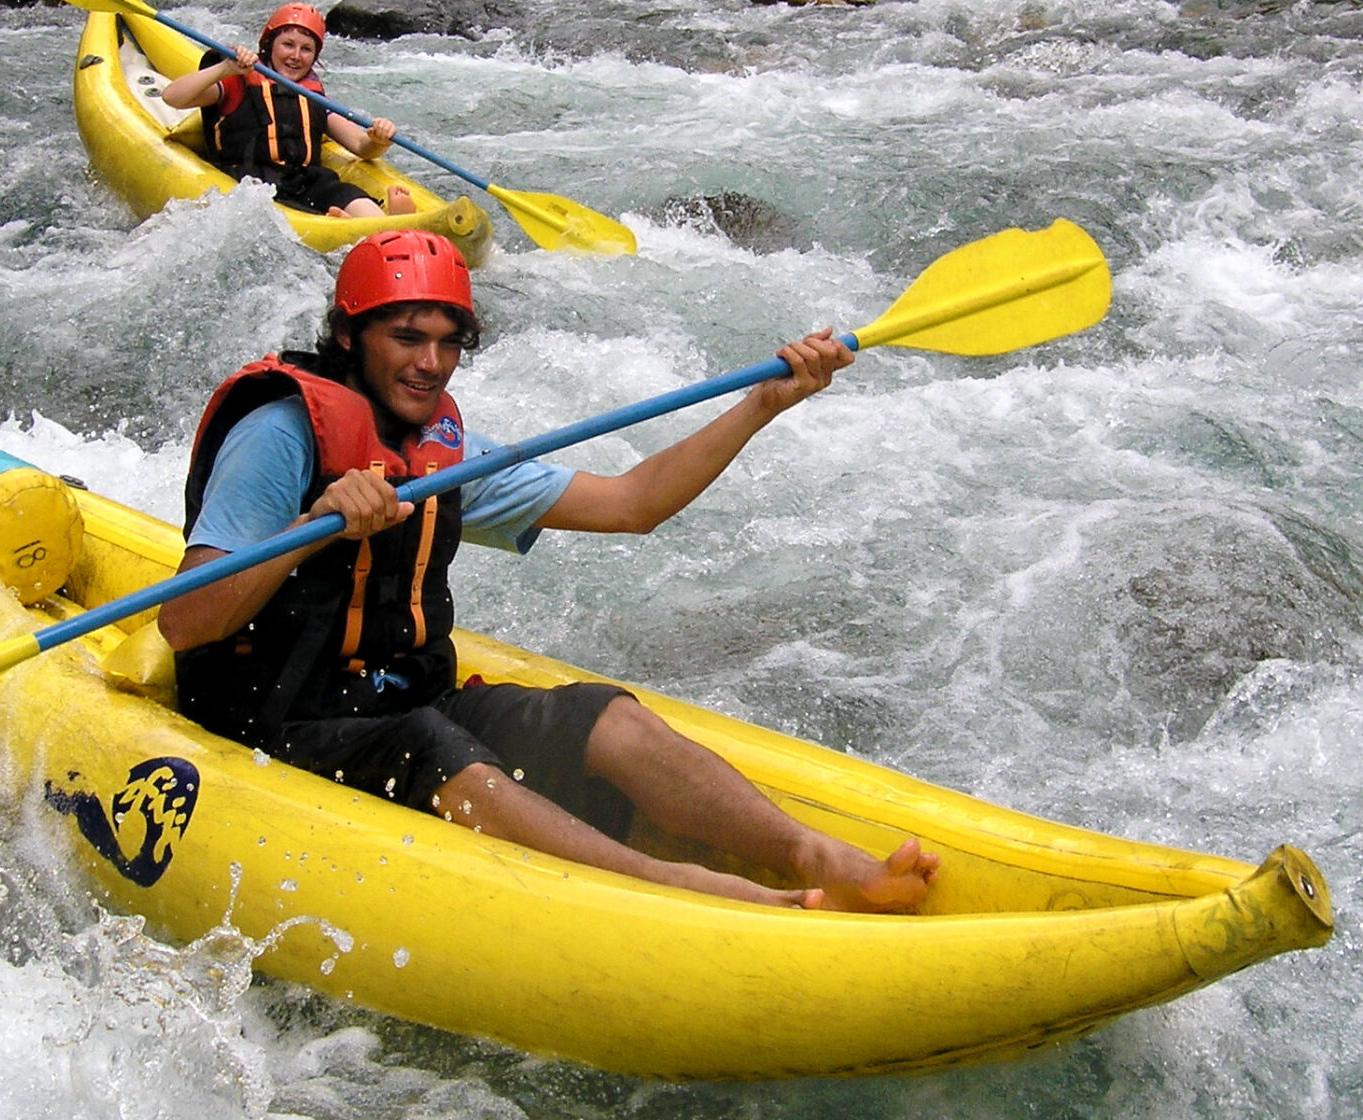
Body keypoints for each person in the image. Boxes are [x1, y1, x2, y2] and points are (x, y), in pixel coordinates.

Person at [157, 230, 940, 913]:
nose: (431, 363)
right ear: (349, 335)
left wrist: (765, 403)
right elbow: (186, 622)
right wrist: (310, 527)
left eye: (449, 342)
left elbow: (633, 503)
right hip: (273, 717)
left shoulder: (442, 451)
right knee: (429, 746)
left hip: (401, 699)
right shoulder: (280, 436)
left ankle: (814, 855)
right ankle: (676, 887)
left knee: (610, 717)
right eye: (406, 337)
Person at [159, 3, 415, 219]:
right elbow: (173, 97)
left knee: (357, 202)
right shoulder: (237, 81)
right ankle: (342, 225)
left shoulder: (312, 95)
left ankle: (382, 224)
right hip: (251, 183)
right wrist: (225, 69)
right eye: (288, 45)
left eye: (306, 49)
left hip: (306, 181)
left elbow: (361, 146)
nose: (296, 56)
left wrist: (378, 140)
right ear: (270, 45)